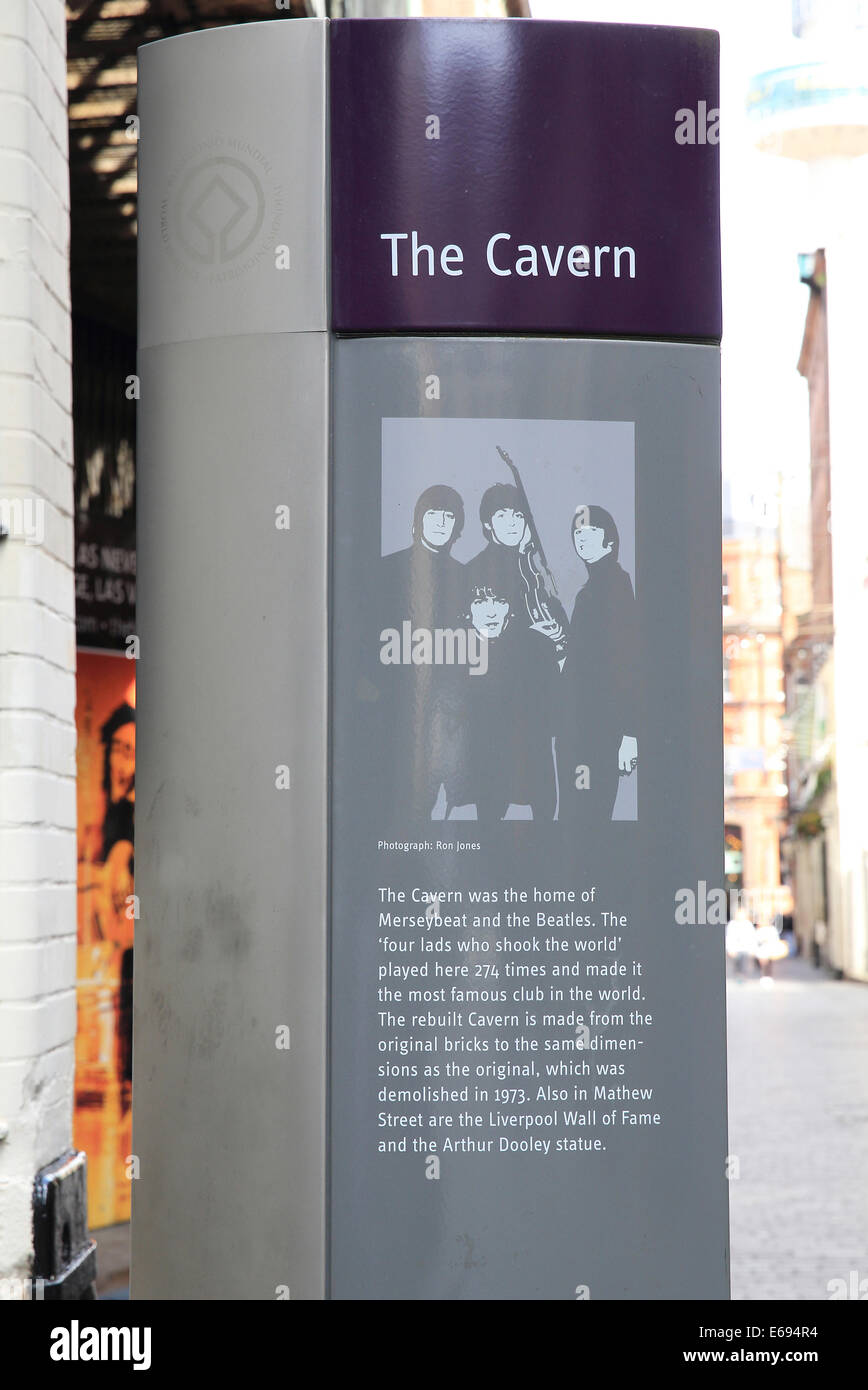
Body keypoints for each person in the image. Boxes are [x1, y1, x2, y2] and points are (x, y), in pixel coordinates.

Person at [557, 505, 637, 827]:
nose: (582, 540)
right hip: (585, 726)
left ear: (609, 542)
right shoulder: (593, 589)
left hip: (598, 728)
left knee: (586, 818)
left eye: (591, 533)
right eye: (578, 534)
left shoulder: (612, 587)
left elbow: (626, 663)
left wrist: (630, 734)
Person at [451, 583, 559, 822]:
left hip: (530, 763)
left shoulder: (538, 646)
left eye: (499, 602)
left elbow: (554, 709)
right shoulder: (454, 648)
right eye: (481, 603)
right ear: (467, 609)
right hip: (483, 769)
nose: (491, 612)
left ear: (510, 607)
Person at [465, 483, 568, 649]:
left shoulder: (529, 562)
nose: (512, 523)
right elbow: (482, 636)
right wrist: (533, 635)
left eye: (518, 516)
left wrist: (559, 632)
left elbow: (551, 607)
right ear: (487, 524)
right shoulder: (476, 569)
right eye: (502, 516)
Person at [725, 907, 756, 979]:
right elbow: (729, 938)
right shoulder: (732, 924)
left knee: (745, 963)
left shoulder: (748, 924)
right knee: (737, 962)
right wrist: (730, 949)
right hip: (735, 948)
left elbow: (752, 938)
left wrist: (753, 949)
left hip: (746, 948)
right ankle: (738, 975)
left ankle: (743, 975)